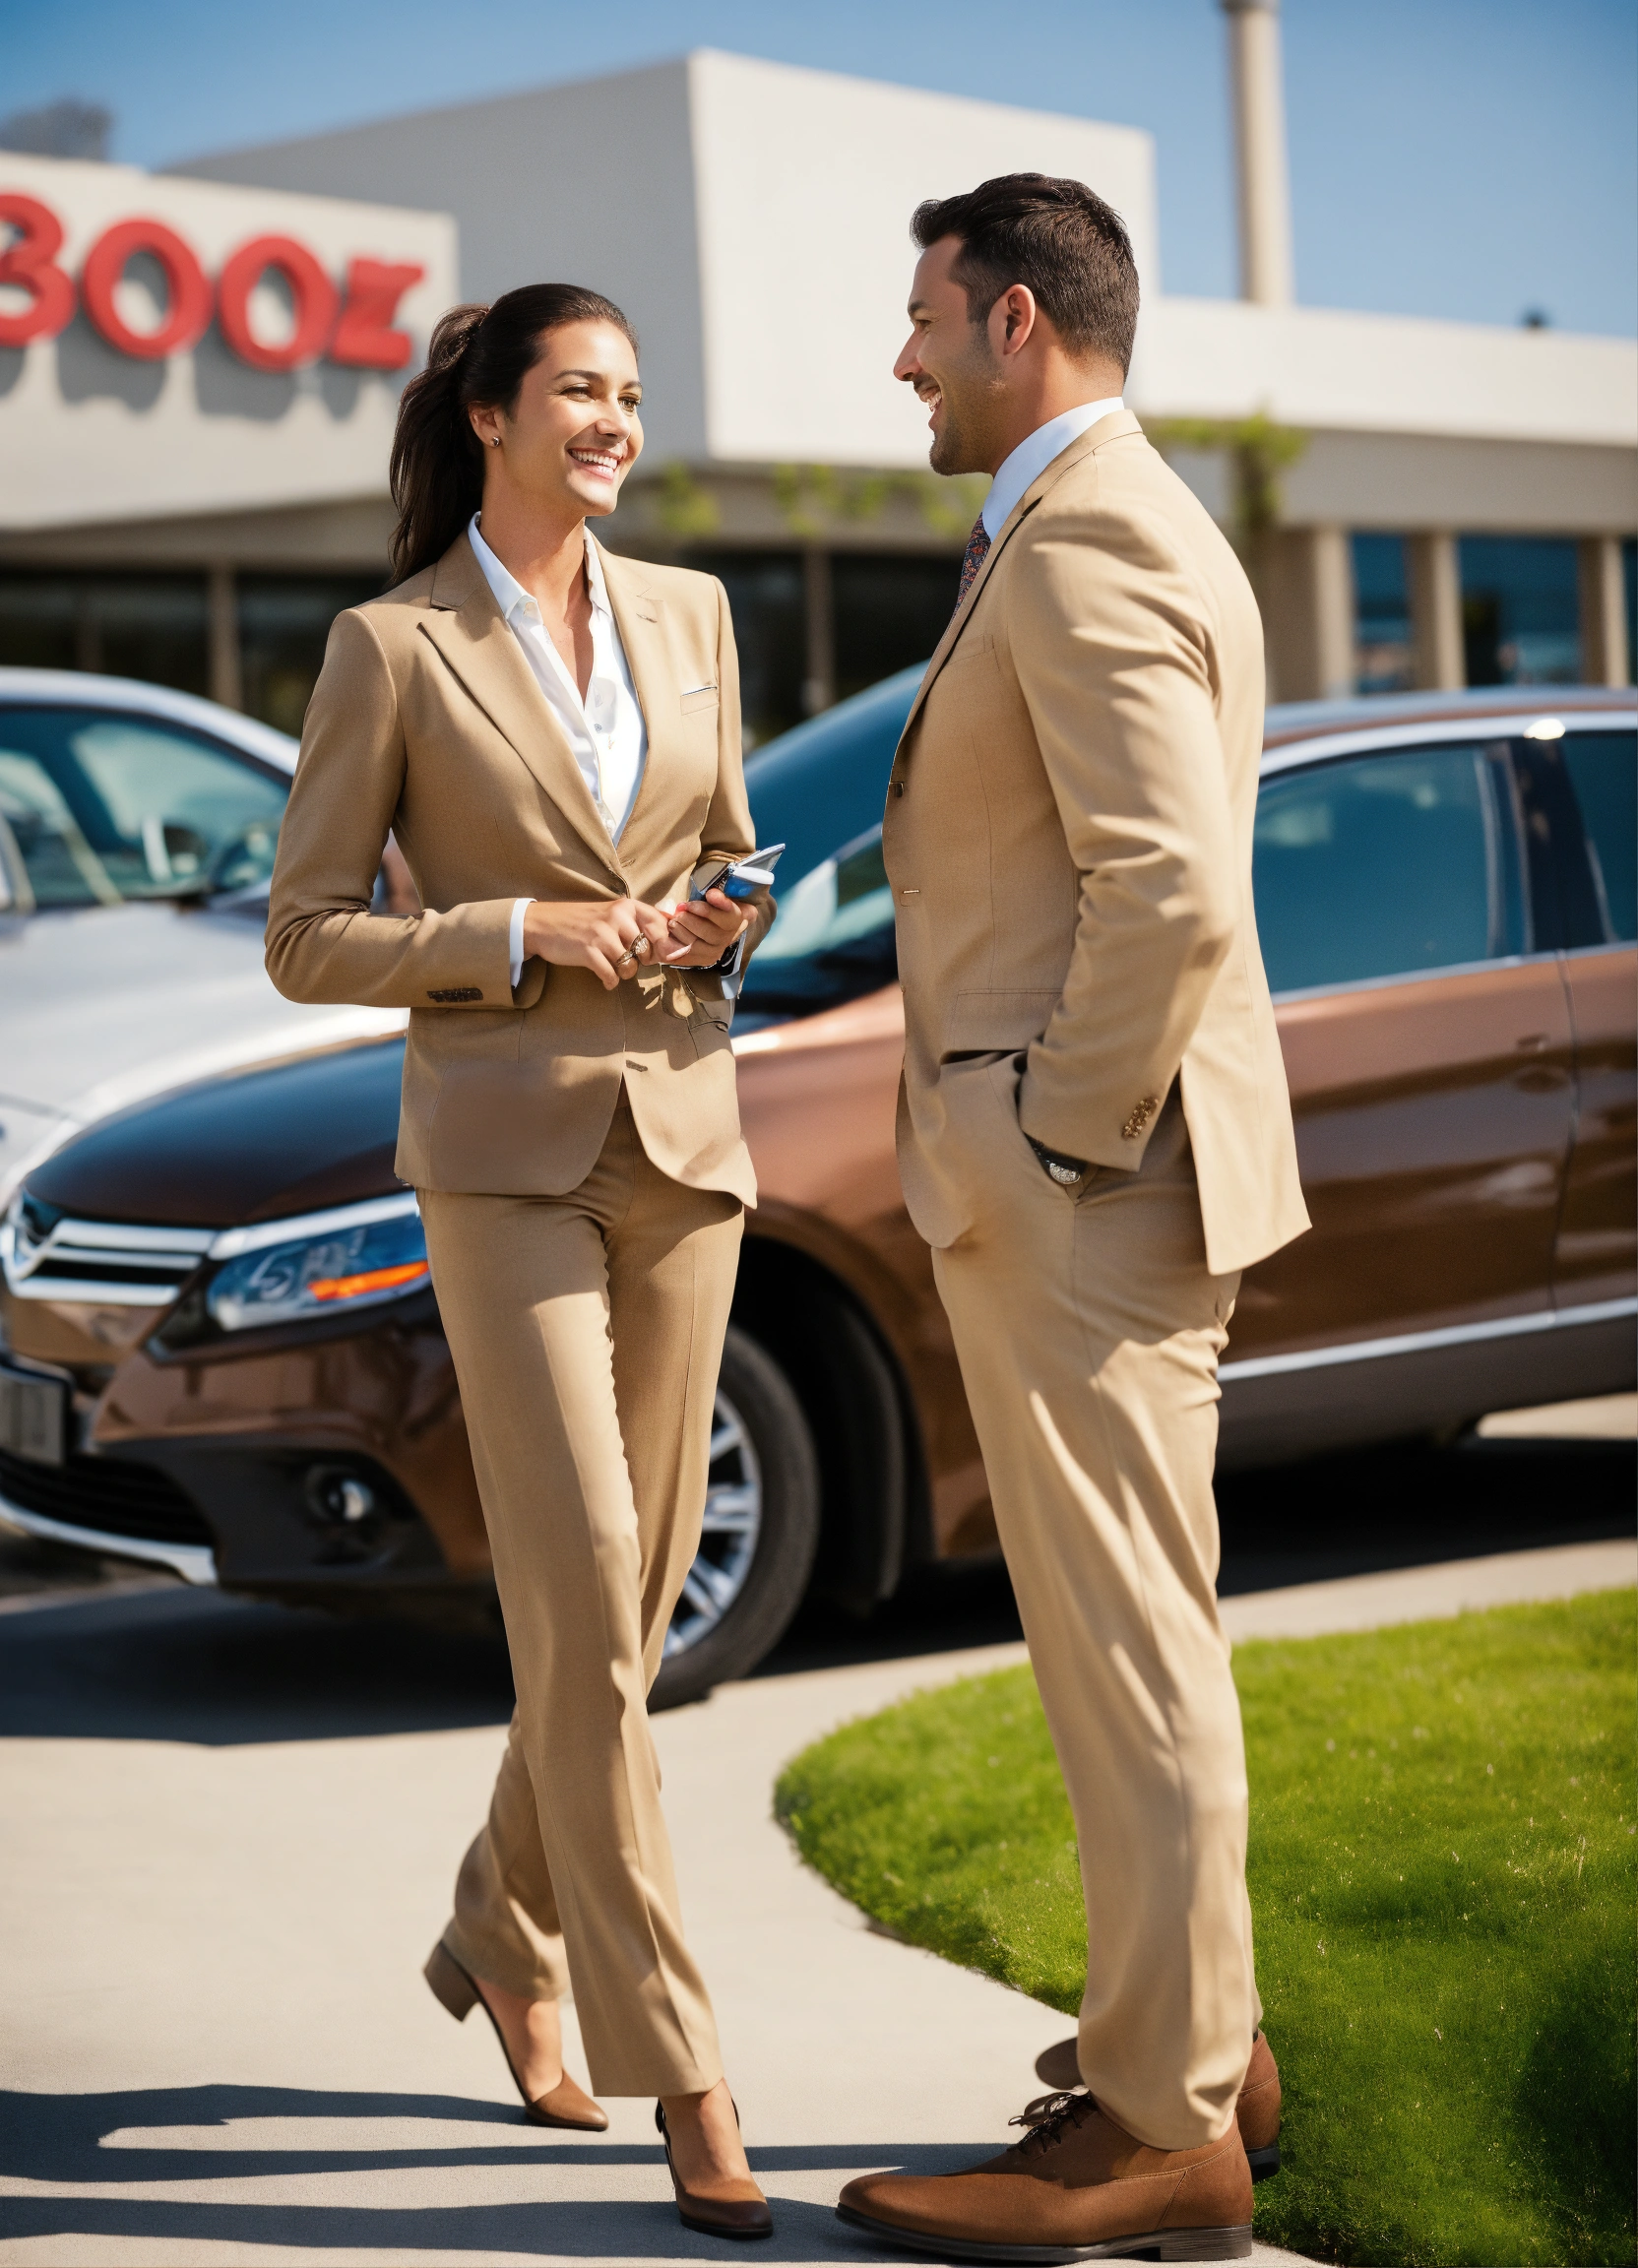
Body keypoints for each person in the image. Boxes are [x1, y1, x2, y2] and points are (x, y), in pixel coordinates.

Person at [265, 284, 774, 2242]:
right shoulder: (388, 648)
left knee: (619, 1628)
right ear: (486, 414)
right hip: (504, 1164)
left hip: (684, 1143)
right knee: (574, 1598)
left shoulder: (695, 616)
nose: (612, 423)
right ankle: (686, 2063)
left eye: (631, 397)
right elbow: (308, 934)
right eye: (579, 390)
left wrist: (711, 918)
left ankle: (494, 1926)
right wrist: (519, 936)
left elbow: (726, 848)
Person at [837, 177, 1310, 2263]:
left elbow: (1172, 891)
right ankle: (1208, 2051)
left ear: (1014, 318)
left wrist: (1050, 1130)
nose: (904, 354)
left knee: (1126, 1664)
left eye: (925, 317)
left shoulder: (1093, 526)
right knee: (1142, 1650)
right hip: (1105, 1186)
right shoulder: (1110, 514)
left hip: (1088, 1192)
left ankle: (1156, 2139)